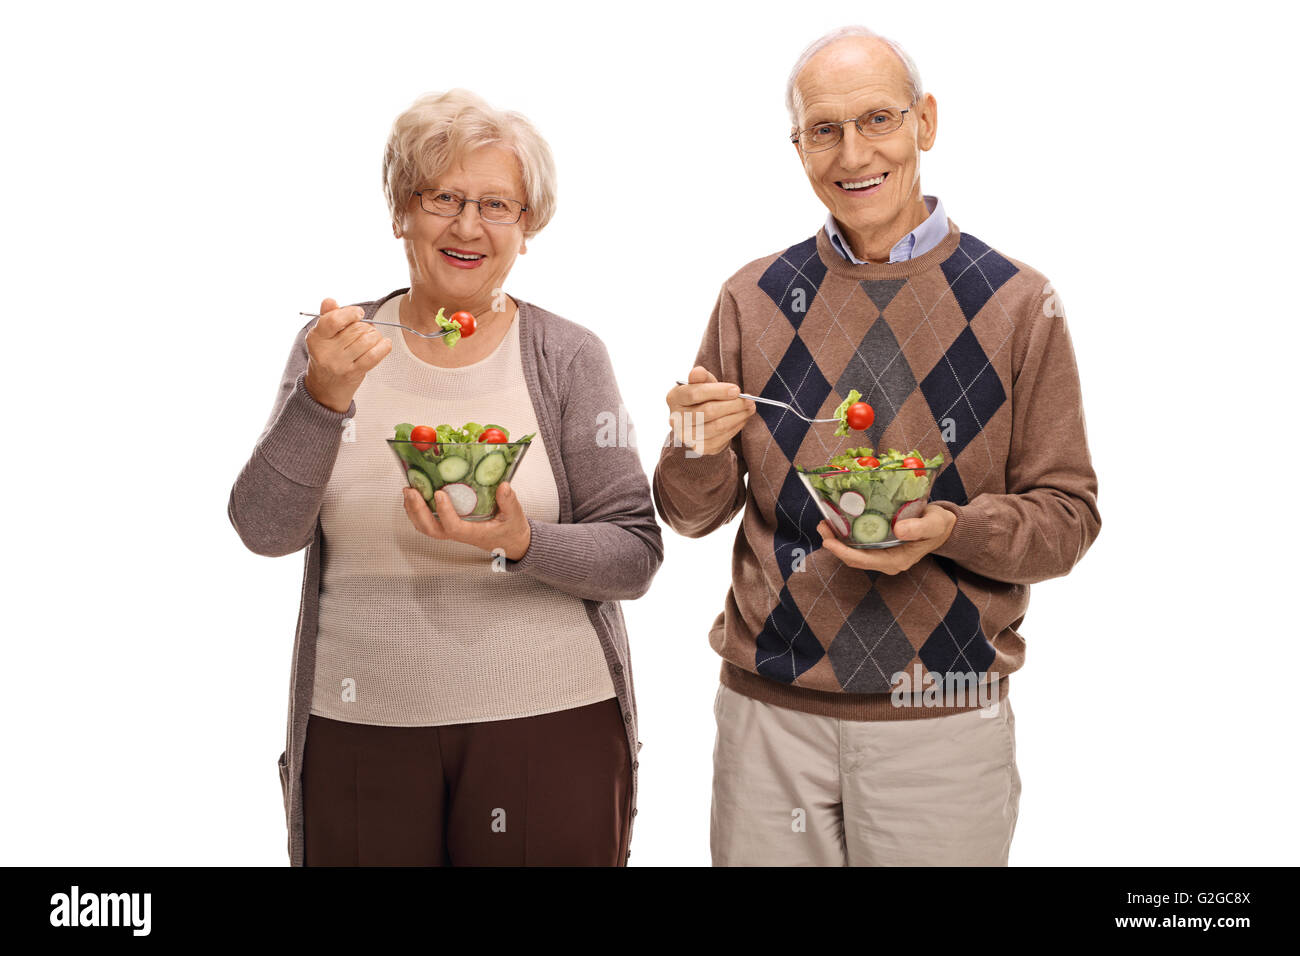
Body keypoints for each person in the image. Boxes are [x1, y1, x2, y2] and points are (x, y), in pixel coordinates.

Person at [653, 26, 1101, 866]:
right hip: (769, 719)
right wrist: (693, 445)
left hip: (944, 724)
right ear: (797, 146)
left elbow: (1069, 518)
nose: (852, 152)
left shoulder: (1019, 302)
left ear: (925, 123)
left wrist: (953, 531)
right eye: (823, 129)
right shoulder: (751, 298)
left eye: (878, 120)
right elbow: (689, 515)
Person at [228, 89, 662, 866]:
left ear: (527, 227)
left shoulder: (567, 355)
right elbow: (263, 530)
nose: (469, 226)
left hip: (549, 725)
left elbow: (633, 554)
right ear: (402, 212)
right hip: (358, 731)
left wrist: (526, 543)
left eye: (498, 204)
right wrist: (320, 400)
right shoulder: (333, 349)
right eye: (444, 198)